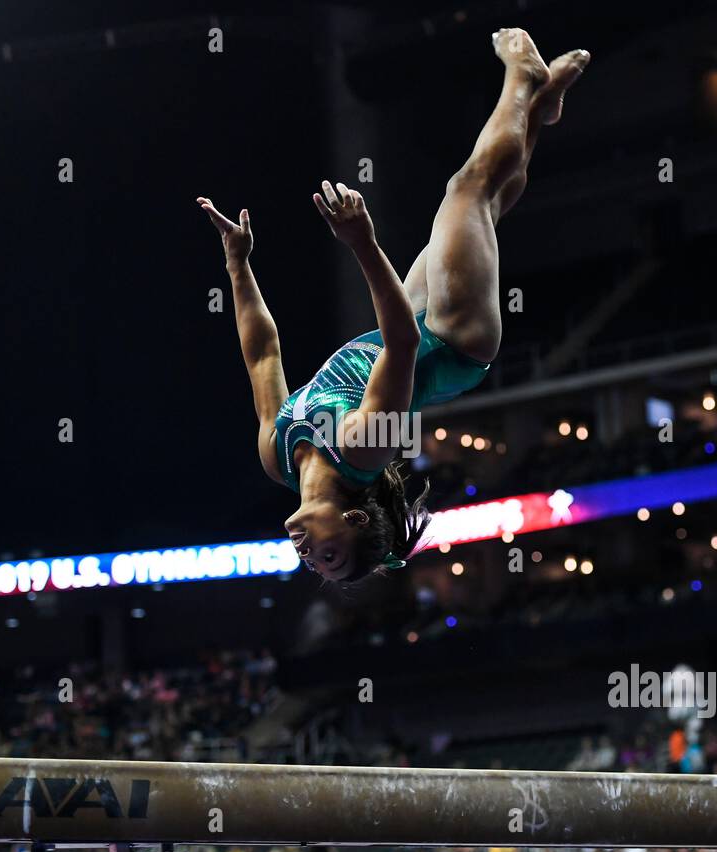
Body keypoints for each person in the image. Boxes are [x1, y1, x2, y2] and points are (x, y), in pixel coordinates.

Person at [199, 29, 589, 581]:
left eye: (314, 565)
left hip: (413, 323)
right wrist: (363, 242)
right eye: (329, 556)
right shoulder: (363, 449)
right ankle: (522, 78)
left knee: (487, 204)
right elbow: (403, 343)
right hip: (453, 339)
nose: (309, 557)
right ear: (355, 519)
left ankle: (540, 107)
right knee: (468, 190)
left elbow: (263, 356)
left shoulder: (276, 456)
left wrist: (238, 265)